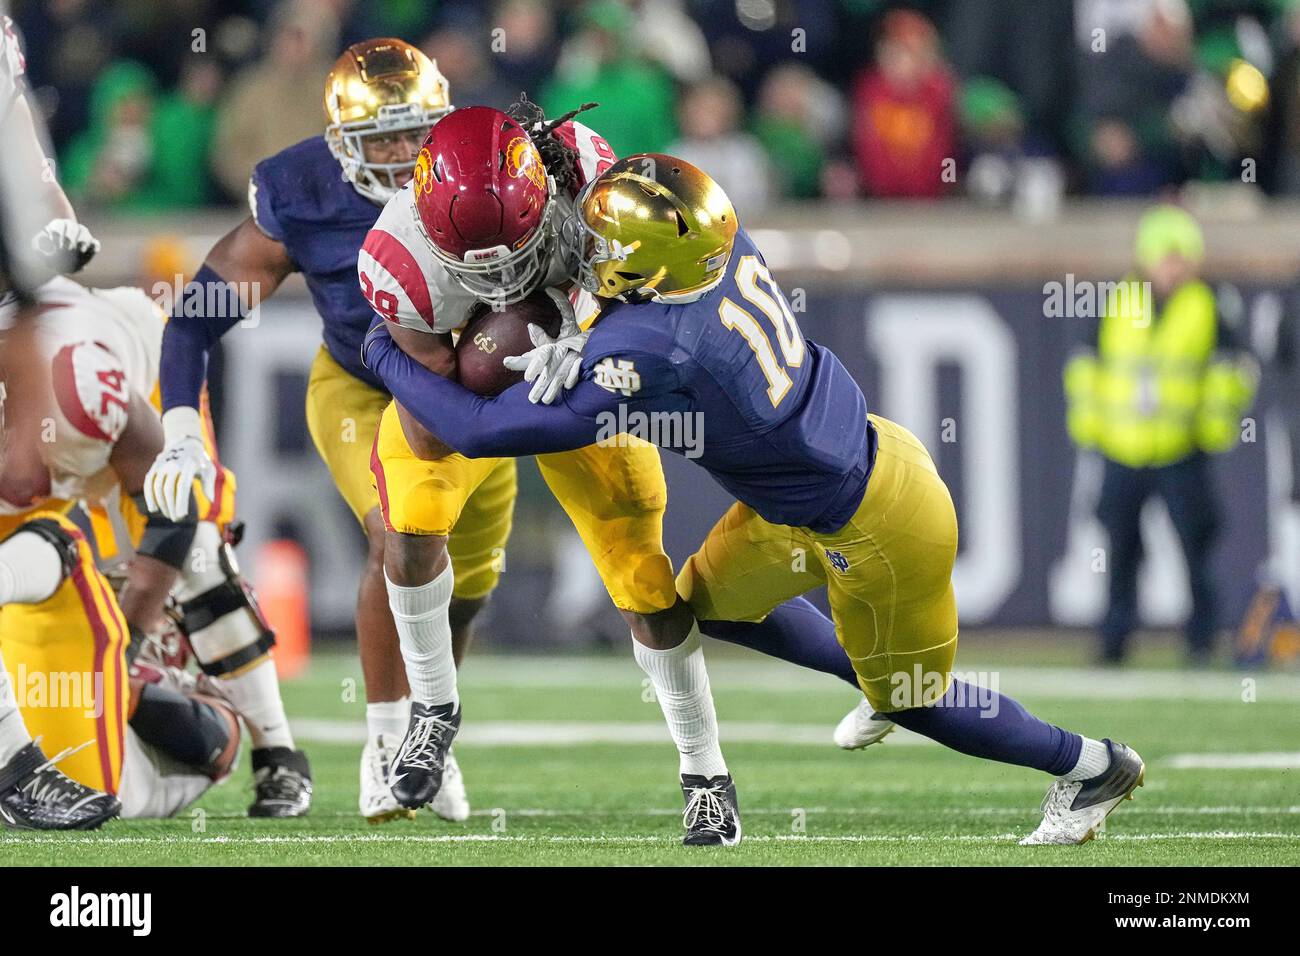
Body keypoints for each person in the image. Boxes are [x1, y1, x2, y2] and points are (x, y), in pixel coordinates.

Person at [361, 153, 1149, 845]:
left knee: (920, 700)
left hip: (870, 526)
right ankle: (871, 673)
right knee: (707, 605)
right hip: (828, 479)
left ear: (650, 274)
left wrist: (384, 357)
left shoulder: (652, 344)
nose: (586, 251)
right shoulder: (715, 244)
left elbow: (486, 431)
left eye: (606, 250)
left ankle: (1090, 765)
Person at [145, 38, 475, 826]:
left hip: (466, 392)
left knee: (464, 585)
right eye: (382, 139)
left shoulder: (483, 168)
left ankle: (435, 738)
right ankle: (387, 741)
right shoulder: (302, 189)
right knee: (397, 534)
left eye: (414, 134)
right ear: (340, 142)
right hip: (360, 385)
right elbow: (195, 319)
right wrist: (183, 428)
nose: (401, 156)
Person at [1, 275, 310, 819]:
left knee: (197, 556)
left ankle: (277, 751)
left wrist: (128, 640)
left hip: (138, 389)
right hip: (65, 424)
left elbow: (174, 515)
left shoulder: (82, 388)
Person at [1064, 205, 1258, 664]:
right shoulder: (1116, 301)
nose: (1172, 267)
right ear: (1146, 257)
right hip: (1123, 446)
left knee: (1196, 547)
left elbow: (1233, 371)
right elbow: (1087, 367)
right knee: (1121, 549)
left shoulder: (1210, 305)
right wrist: (1090, 425)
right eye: (1164, 256)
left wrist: (1214, 423)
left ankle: (1202, 639)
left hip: (1181, 447)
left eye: (1180, 257)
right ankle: (1114, 639)